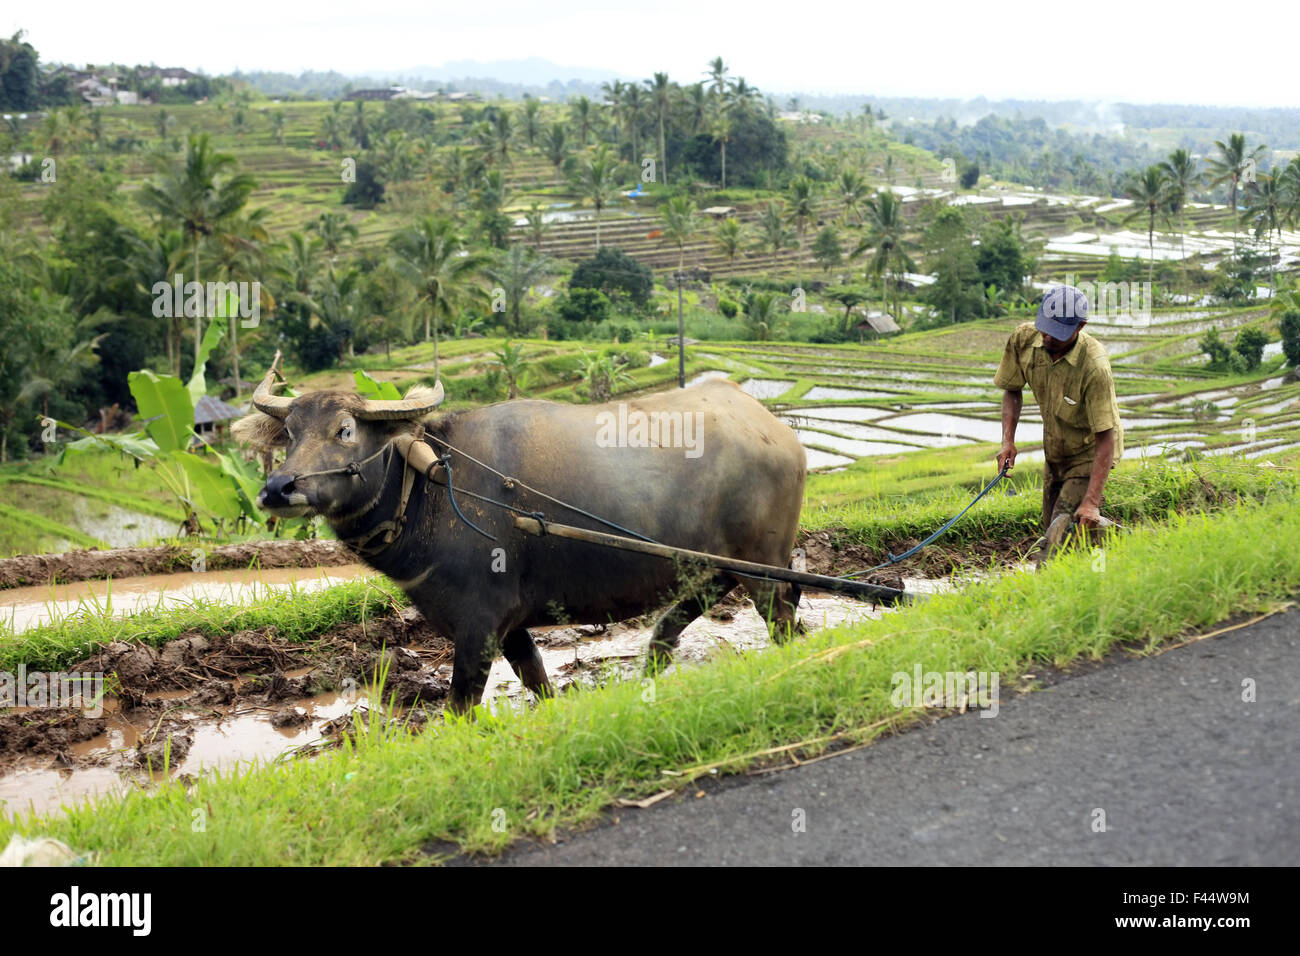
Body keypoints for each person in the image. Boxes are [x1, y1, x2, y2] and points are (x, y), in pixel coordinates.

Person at [994, 285, 1124, 562]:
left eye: (1058, 331)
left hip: (1090, 451)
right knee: (1052, 525)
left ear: (1080, 326)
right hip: (1055, 450)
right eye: (1046, 326)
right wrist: (1008, 441)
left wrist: (1091, 501)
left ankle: (1046, 592)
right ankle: (1118, 546)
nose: (1048, 336)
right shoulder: (1023, 339)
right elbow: (1012, 388)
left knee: (1057, 535)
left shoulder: (1094, 366)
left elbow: (1105, 435)